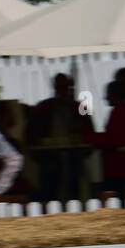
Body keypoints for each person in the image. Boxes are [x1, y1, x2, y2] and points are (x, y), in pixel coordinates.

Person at [26, 73, 93, 203]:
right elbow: (31, 134)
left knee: (75, 189)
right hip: (50, 158)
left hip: (74, 157)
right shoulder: (43, 107)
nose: (63, 89)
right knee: (51, 190)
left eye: (65, 86)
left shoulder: (79, 108)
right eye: (60, 86)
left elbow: (89, 132)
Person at [85, 81, 125, 201]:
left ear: (115, 94)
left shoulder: (119, 112)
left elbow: (113, 139)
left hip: (120, 167)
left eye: (108, 94)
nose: (106, 98)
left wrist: (88, 138)